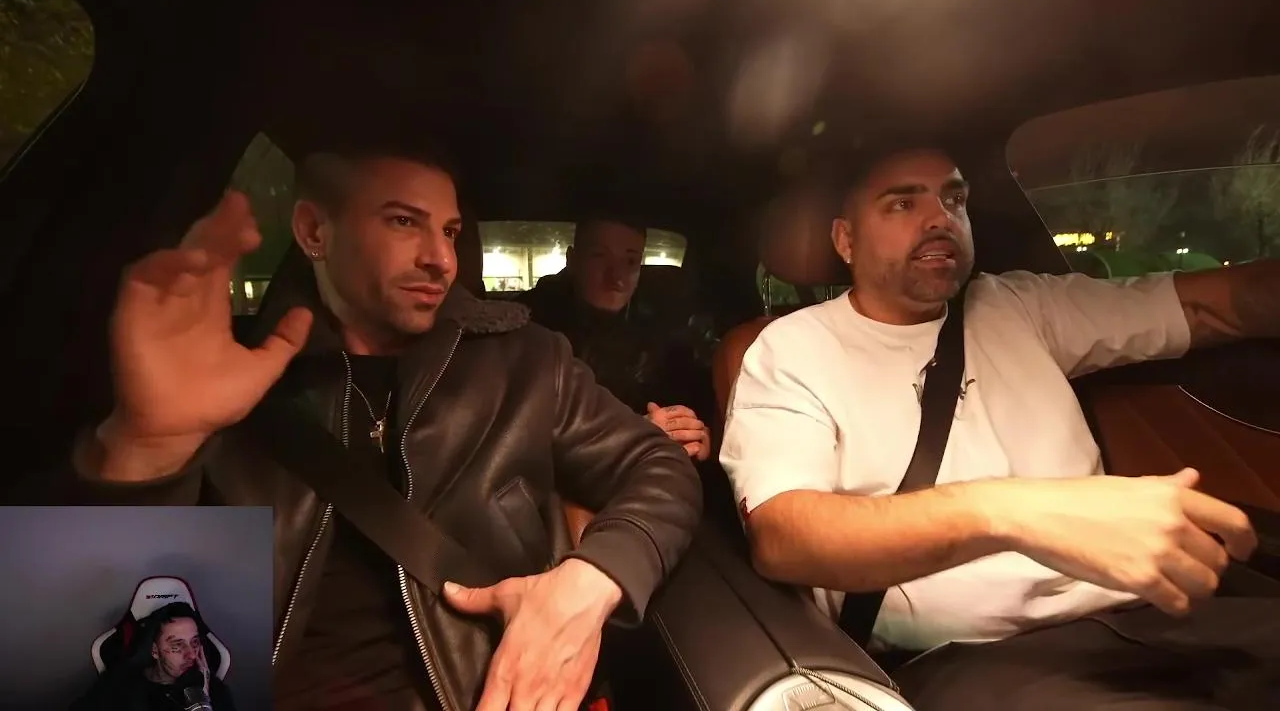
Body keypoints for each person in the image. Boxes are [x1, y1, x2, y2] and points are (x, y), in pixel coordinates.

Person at [69, 145, 702, 711]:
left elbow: (660, 467)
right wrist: (144, 450)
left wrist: (592, 581)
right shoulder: (228, 381)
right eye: (403, 222)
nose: (441, 259)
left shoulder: (525, 362)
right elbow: (94, 654)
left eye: (449, 231)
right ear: (314, 231)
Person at [720, 146, 1279, 710]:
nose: (939, 217)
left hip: (1150, 609)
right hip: (976, 656)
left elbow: (1211, 307)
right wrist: (1015, 514)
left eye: (954, 199)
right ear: (845, 240)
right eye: (902, 204)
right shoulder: (791, 350)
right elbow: (784, 537)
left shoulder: (1018, 305)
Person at [519, 218, 712, 462]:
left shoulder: (663, 326)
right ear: (573, 260)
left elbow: (689, 402)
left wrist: (696, 434)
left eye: (630, 261)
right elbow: (526, 439)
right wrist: (633, 434)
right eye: (599, 256)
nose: (616, 276)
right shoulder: (530, 329)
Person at [71, 602, 236, 711]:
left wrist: (200, 700)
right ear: (154, 651)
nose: (192, 654)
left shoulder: (213, 690)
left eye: (195, 642)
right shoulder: (119, 685)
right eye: (177, 645)